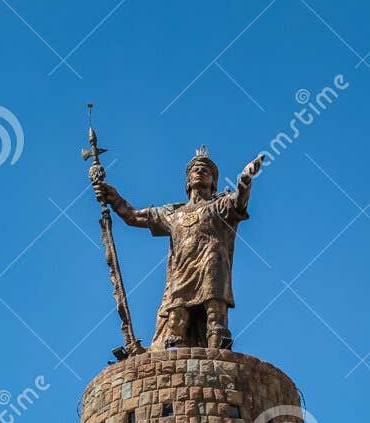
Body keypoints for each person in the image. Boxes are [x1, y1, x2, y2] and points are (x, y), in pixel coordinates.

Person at [96, 147, 265, 349]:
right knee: (176, 319)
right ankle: (174, 353)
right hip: (181, 272)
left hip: (212, 265)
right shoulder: (173, 213)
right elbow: (134, 216)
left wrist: (245, 180)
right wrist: (113, 197)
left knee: (215, 314)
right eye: (195, 169)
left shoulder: (220, 206)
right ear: (187, 181)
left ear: (214, 182)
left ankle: (216, 347)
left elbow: (239, 201)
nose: (200, 172)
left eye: (206, 171)